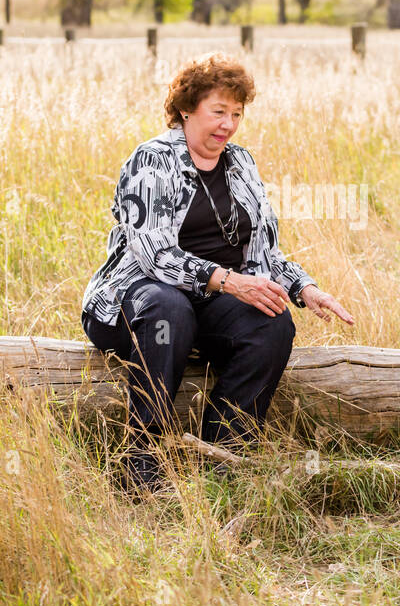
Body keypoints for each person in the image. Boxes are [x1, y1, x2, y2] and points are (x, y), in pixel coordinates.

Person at [81, 53, 354, 490]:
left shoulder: (241, 164)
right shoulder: (151, 161)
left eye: (236, 114)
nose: (227, 124)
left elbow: (263, 256)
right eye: (218, 111)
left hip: (206, 306)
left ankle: (224, 455)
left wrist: (305, 289)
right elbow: (155, 255)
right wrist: (227, 280)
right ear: (187, 109)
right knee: (171, 310)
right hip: (136, 303)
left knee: (272, 320)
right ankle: (144, 464)